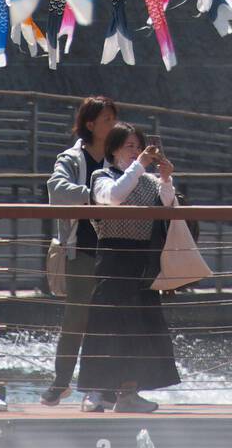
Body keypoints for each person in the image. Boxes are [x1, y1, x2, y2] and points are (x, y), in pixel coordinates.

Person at [76, 122, 181, 413]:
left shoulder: (148, 180)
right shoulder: (101, 175)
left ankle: (128, 393)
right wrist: (140, 166)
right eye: (129, 146)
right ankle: (95, 392)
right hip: (113, 255)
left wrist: (165, 178)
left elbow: (169, 206)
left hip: (142, 259)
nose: (136, 152)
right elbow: (113, 197)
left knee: (138, 328)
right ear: (113, 149)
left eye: (139, 146)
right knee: (105, 325)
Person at [41, 95, 118, 409]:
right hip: (83, 248)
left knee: (110, 320)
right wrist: (98, 194)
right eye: (106, 121)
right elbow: (56, 189)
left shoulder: (120, 156)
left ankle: (102, 388)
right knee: (76, 319)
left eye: (114, 120)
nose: (113, 126)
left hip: (117, 250)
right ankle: (61, 382)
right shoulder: (72, 158)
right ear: (90, 125)